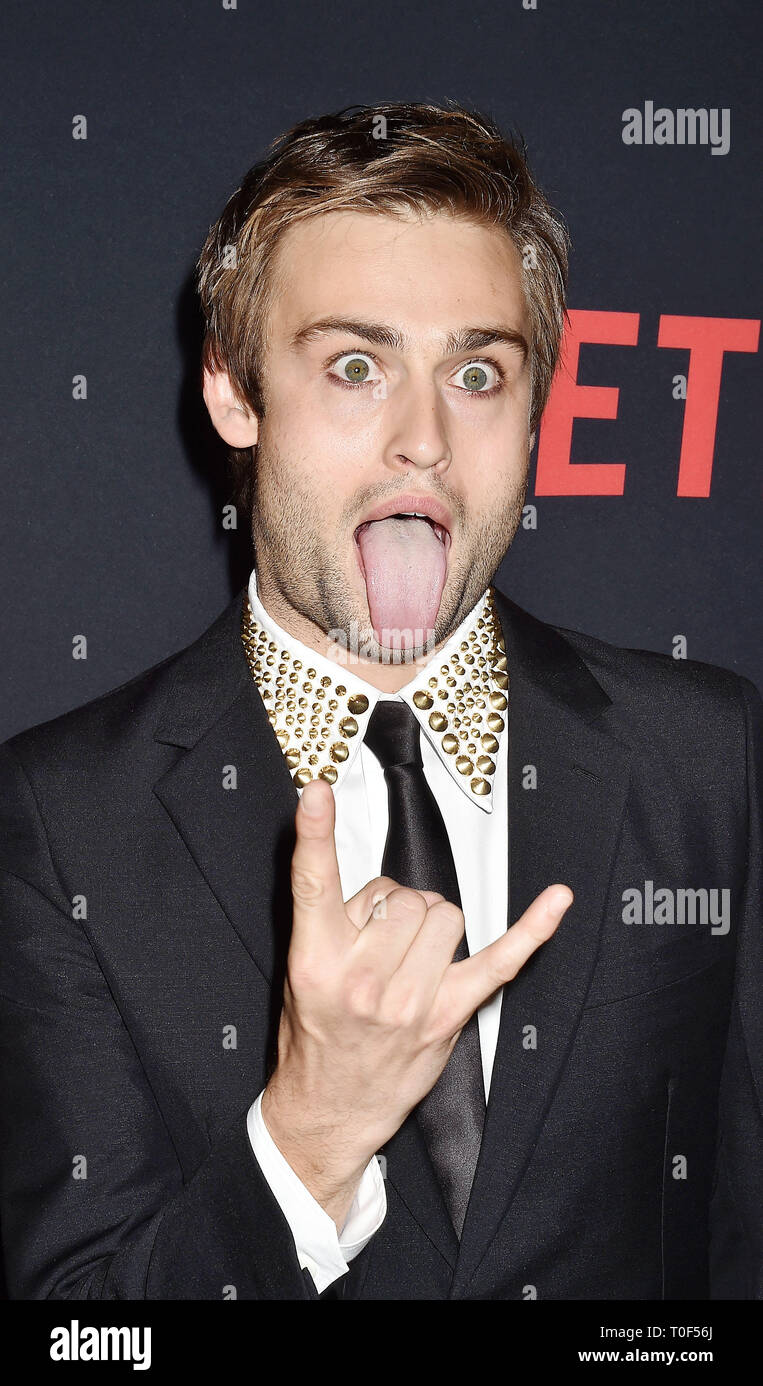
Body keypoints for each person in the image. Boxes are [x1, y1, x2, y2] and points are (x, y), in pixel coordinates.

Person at [0, 103, 760, 1301]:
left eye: (476, 372)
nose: (424, 441)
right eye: (356, 366)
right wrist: (308, 1138)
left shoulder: (710, 759)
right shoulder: (55, 821)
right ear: (235, 394)